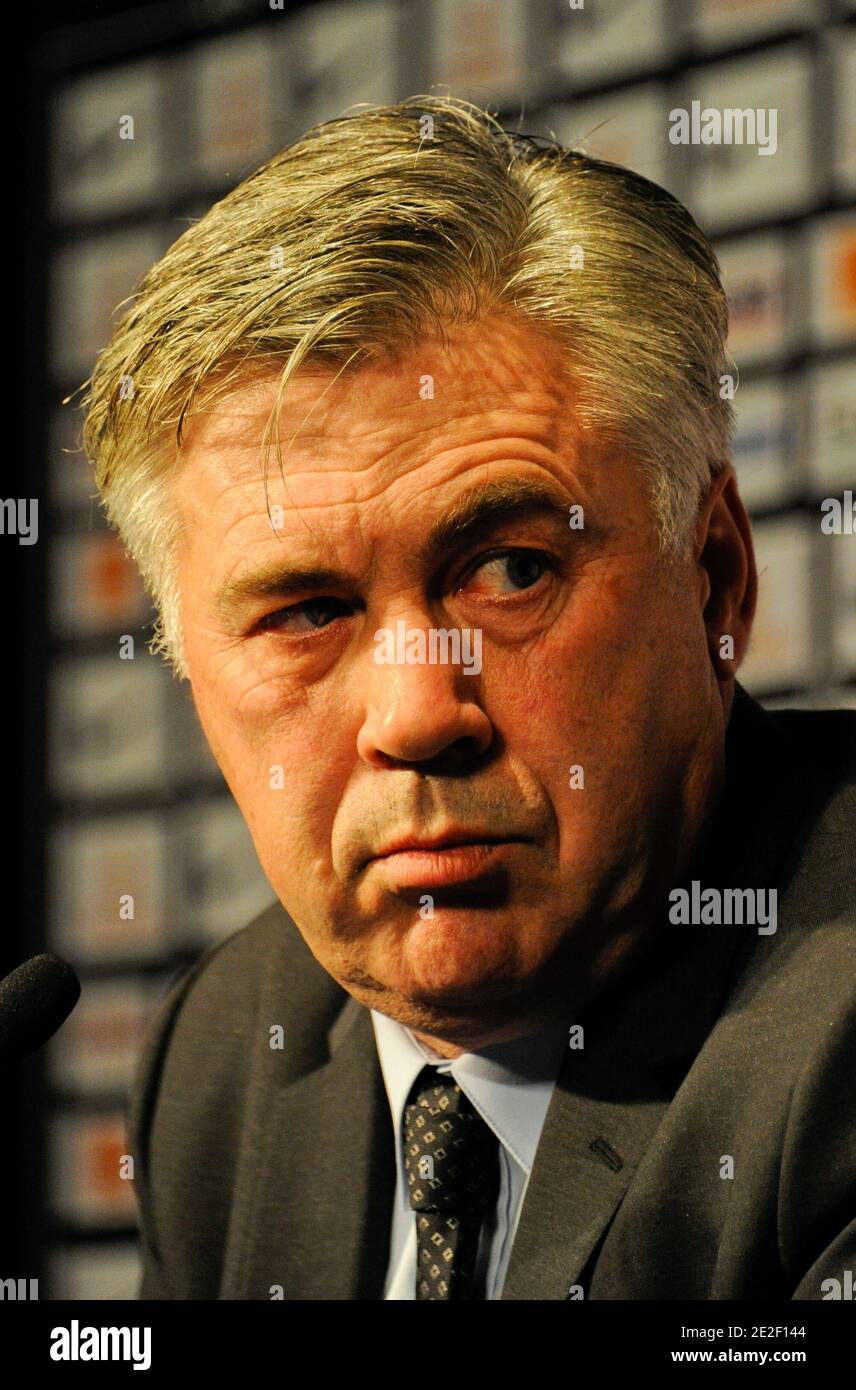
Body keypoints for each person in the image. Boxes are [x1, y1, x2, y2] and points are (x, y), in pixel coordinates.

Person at [77, 95, 855, 1300]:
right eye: (306, 613)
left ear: (715, 579)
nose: (416, 717)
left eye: (510, 572)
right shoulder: (223, 1052)